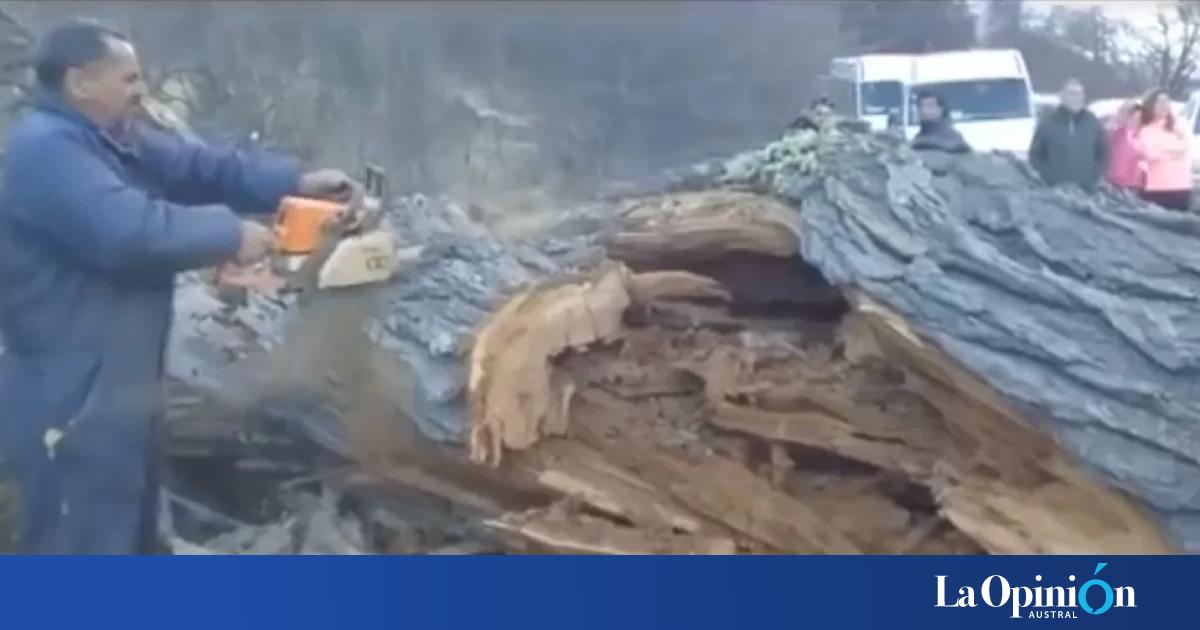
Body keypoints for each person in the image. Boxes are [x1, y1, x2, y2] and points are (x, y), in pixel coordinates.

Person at [0, 20, 361, 553]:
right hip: (68, 387)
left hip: (113, 378)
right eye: (128, 79)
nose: (140, 90)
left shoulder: (109, 140)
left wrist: (293, 182)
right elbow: (128, 231)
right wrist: (231, 234)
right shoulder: (46, 153)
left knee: (131, 527)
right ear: (80, 83)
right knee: (77, 535)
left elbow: (198, 166)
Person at [1028, 79, 1109, 192]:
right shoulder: (1049, 123)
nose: (1076, 98)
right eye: (1072, 93)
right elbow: (1035, 155)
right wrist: (1049, 177)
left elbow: (1104, 153)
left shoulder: (1092, 122)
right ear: (1062, 96)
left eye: (1080, 93)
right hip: (1057, 193)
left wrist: (1095, 177)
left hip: (1088, 191)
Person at [1137, 89, 1193, 211]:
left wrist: (1165, 149)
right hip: (1158, 189)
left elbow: (1186, 146)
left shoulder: (1177, 126)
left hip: (1182, 187)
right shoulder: (1146, 130)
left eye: (1167, 101)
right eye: (1160, 102)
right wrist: (1175, 152)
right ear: (1151, 105)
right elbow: (1152, 154)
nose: (1165, 105)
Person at [1104, 101, 1146, 192]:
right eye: (1131, 116)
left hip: (1135, 185)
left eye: (1139, 118)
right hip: (1113, 183)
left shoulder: (1143, 135)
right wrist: (1114, 122)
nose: (1135, 120)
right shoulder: (1117, 132)